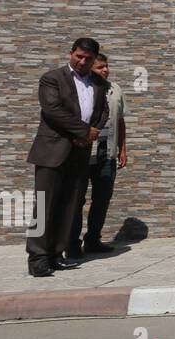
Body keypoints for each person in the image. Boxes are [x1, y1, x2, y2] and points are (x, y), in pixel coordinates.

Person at [26, 37, 107, 277]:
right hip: (52, 151)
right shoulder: (52, 78)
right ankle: (38, 258)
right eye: (78, 56)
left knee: (69, 206)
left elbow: (103, 113)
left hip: (80, 153)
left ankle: (55, 254)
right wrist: (83, 131)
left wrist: (91, 134)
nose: (82, 61)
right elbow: (52, 110)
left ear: (94, 60)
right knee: (44, 206)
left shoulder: (99, 84)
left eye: (88, 58)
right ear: (70, 54)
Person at [69, 52, 128, 258]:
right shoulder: (81, 89)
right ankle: (72, 243)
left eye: (106, 66)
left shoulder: (115, 89)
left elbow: (120, 121)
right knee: (76, 199)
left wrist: (122, 148)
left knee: (102, 198)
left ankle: (93, 239)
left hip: (106, 151)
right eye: (100, 67)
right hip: (83, 152)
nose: (105, 70)